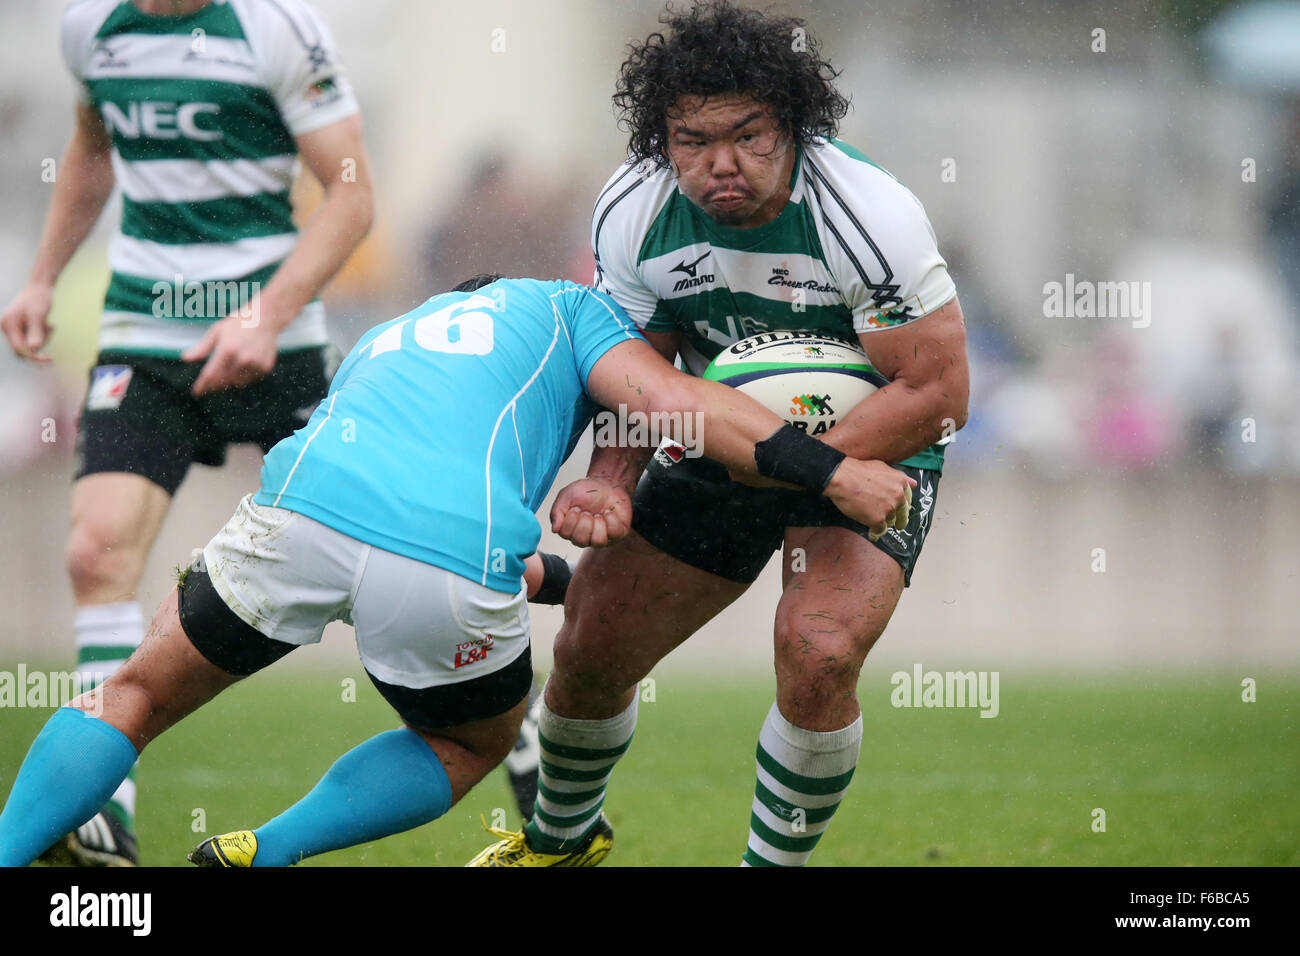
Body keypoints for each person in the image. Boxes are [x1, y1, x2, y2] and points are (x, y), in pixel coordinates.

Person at [0, 275, 914, 868]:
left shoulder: (396, 333)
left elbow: (416, 510)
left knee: (130, 697)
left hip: (298, 508)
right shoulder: (571, 309)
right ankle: (262, 852)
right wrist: (831, 469)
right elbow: (676, 401)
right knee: (469, 744)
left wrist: (552, 581)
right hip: (444, 548)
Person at [468, 1, 970, 867]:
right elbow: (636, 366)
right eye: (692, 140)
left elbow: (936, 388)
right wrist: (609, 481)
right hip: (716, 437)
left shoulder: (868, 214)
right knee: (589, 642)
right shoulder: (633, 208)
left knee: (818, 649)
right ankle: (558, 845)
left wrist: (814, 467)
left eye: (748, 135)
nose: (720, 165)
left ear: (795, 126)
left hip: (878, 441)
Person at [0, 0, 375, 866]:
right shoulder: (89, 27)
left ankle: (519, 743)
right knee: (96, 555)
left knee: (383, 556)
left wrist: (266, 316)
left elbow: (353, 199)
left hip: (273, 332)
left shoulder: (278, 26)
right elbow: (92, 153)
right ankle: (103, 821)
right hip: (144, 331)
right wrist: (42, 278)